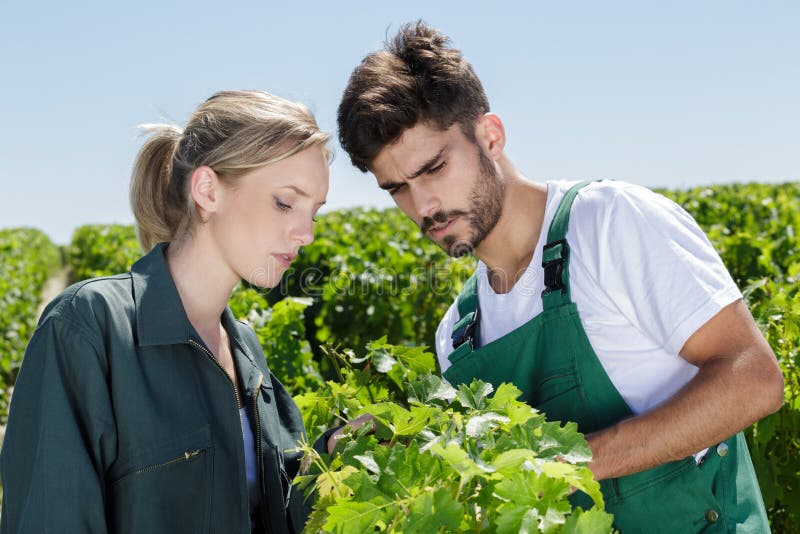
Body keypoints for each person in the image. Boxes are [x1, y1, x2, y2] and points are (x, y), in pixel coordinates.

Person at [336, 21, 784, 532]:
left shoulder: (608, 224)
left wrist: (572, 463)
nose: (424, 206)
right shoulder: (457, 333)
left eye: (434, 167)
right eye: (398, 188)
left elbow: (755, 379)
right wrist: (408, 442)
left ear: (490, 136)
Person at [0, 90, 330, 534]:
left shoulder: (245, 348)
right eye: (286, 202)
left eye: (315, 211)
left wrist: (332, 455)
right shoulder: (89, 326)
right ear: (208, 190)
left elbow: (265, 509)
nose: (305, 232)